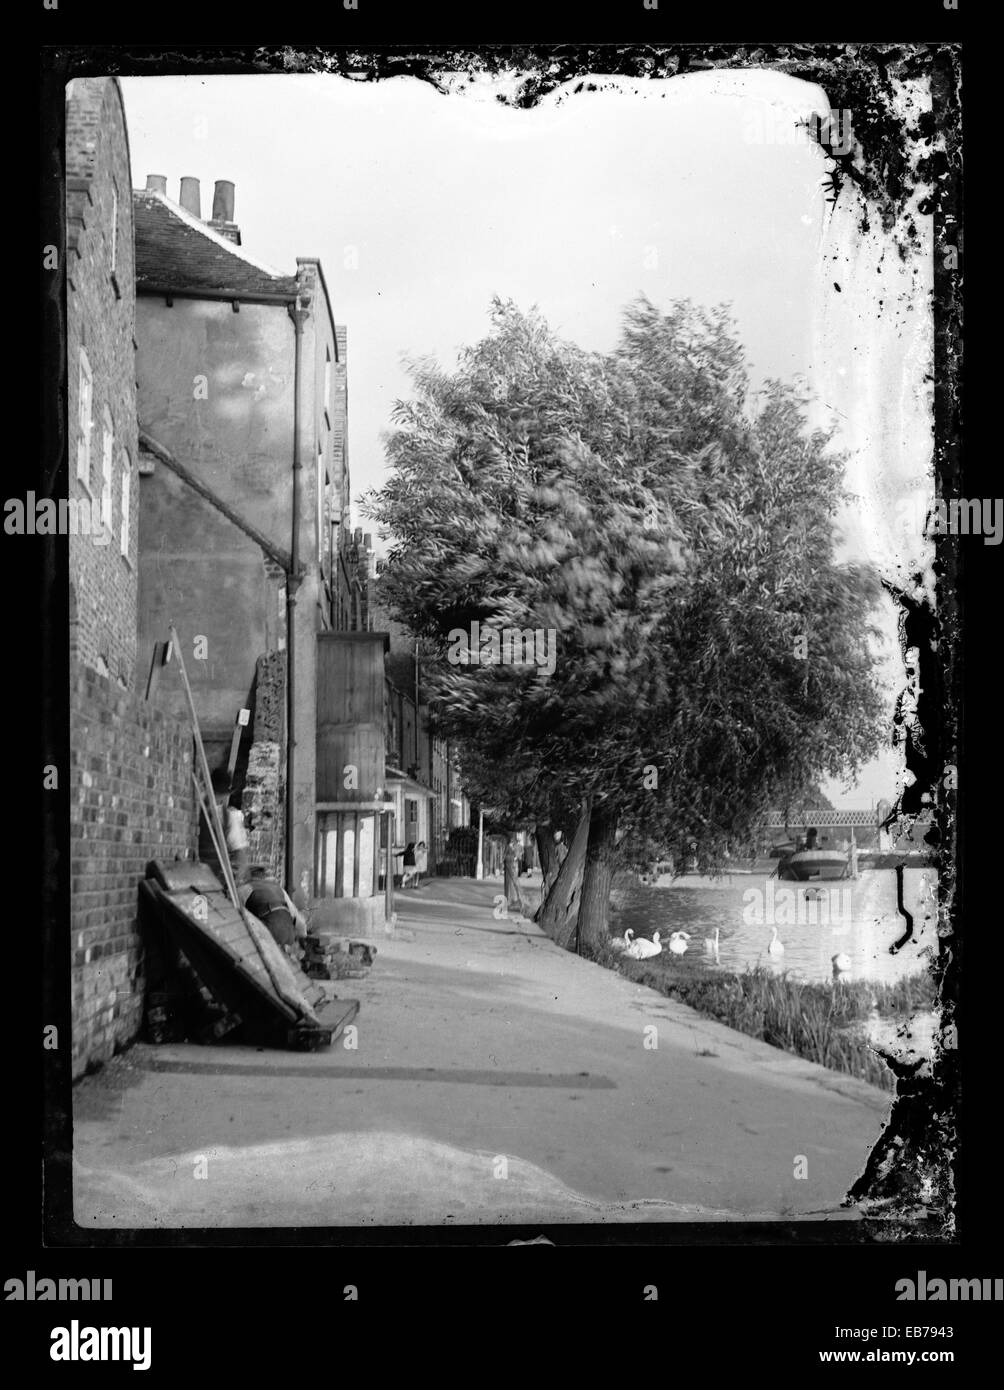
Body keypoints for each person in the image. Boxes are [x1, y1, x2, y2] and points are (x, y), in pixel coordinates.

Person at [240, 865, 309, 956]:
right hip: (288, 933)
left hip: (269, 930)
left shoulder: (245, 888)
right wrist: (302, 934)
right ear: (263, 876)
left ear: (249, 876)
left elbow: (235, 915)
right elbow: (300, 923)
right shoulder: (279, 889)